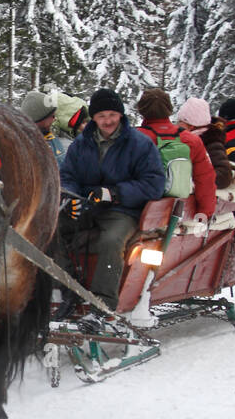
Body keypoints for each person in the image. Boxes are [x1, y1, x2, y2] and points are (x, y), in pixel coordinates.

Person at [58, 88, 166, 323]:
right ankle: (66, 289)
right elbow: (67, 176)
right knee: (50, 229)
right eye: (101, 116)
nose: (107, 121)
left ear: (120, 115)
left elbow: (154, 184)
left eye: (112, 115)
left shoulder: (139, 144)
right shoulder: (80, 144)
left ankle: (102, 304)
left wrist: (114, 193)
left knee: (111, 240)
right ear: (93, 118)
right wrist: (71, 197)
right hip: (88, 206)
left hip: (122, 210)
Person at [133, 88, 217, 222]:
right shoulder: (191, 140)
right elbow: (205, 179)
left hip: (140, 213)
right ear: (169, 109)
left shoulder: (134, 138)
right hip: (176, 214)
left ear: (142, 110)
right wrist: (205, 213)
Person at [176, 97, 235, 189]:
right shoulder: (183, 140)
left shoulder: (211, 143)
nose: (177, 125)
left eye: (180, 121)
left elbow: (224, 177)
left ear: (191, 125)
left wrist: (192, 176)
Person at [22, 89, 71, 165]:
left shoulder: (55, 140)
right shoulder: (24, 150)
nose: (54, 119)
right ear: (39, 119)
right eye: (52, 116)